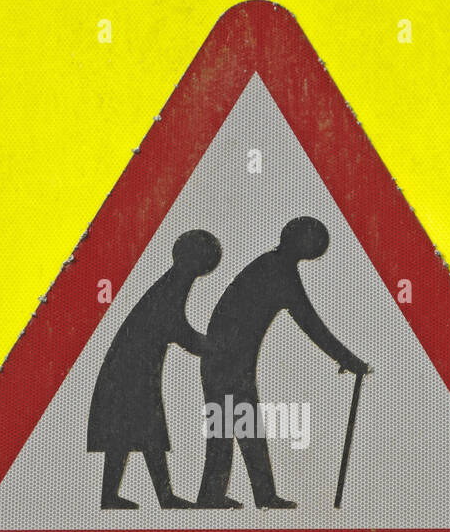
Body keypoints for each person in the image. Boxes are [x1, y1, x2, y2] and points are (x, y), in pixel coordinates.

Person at [197, 216, 368, 509]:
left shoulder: (272, 265)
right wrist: (347, 359)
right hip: (229, 361)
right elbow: (311, 323)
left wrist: (346, 359)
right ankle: (242, 496)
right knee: (235, 428)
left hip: (227, 360)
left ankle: (224, 495)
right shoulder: (279, 272)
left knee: (234, 428)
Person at [88, 229, 221, 508]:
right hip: (131, 371)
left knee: (137, 433)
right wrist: (210, 347)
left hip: (133, 368)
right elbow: (173, 325)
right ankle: (153, 497)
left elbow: (172, 325)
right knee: (137, 432)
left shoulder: (173, 281)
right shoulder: (174, 284)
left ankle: (153, 496)